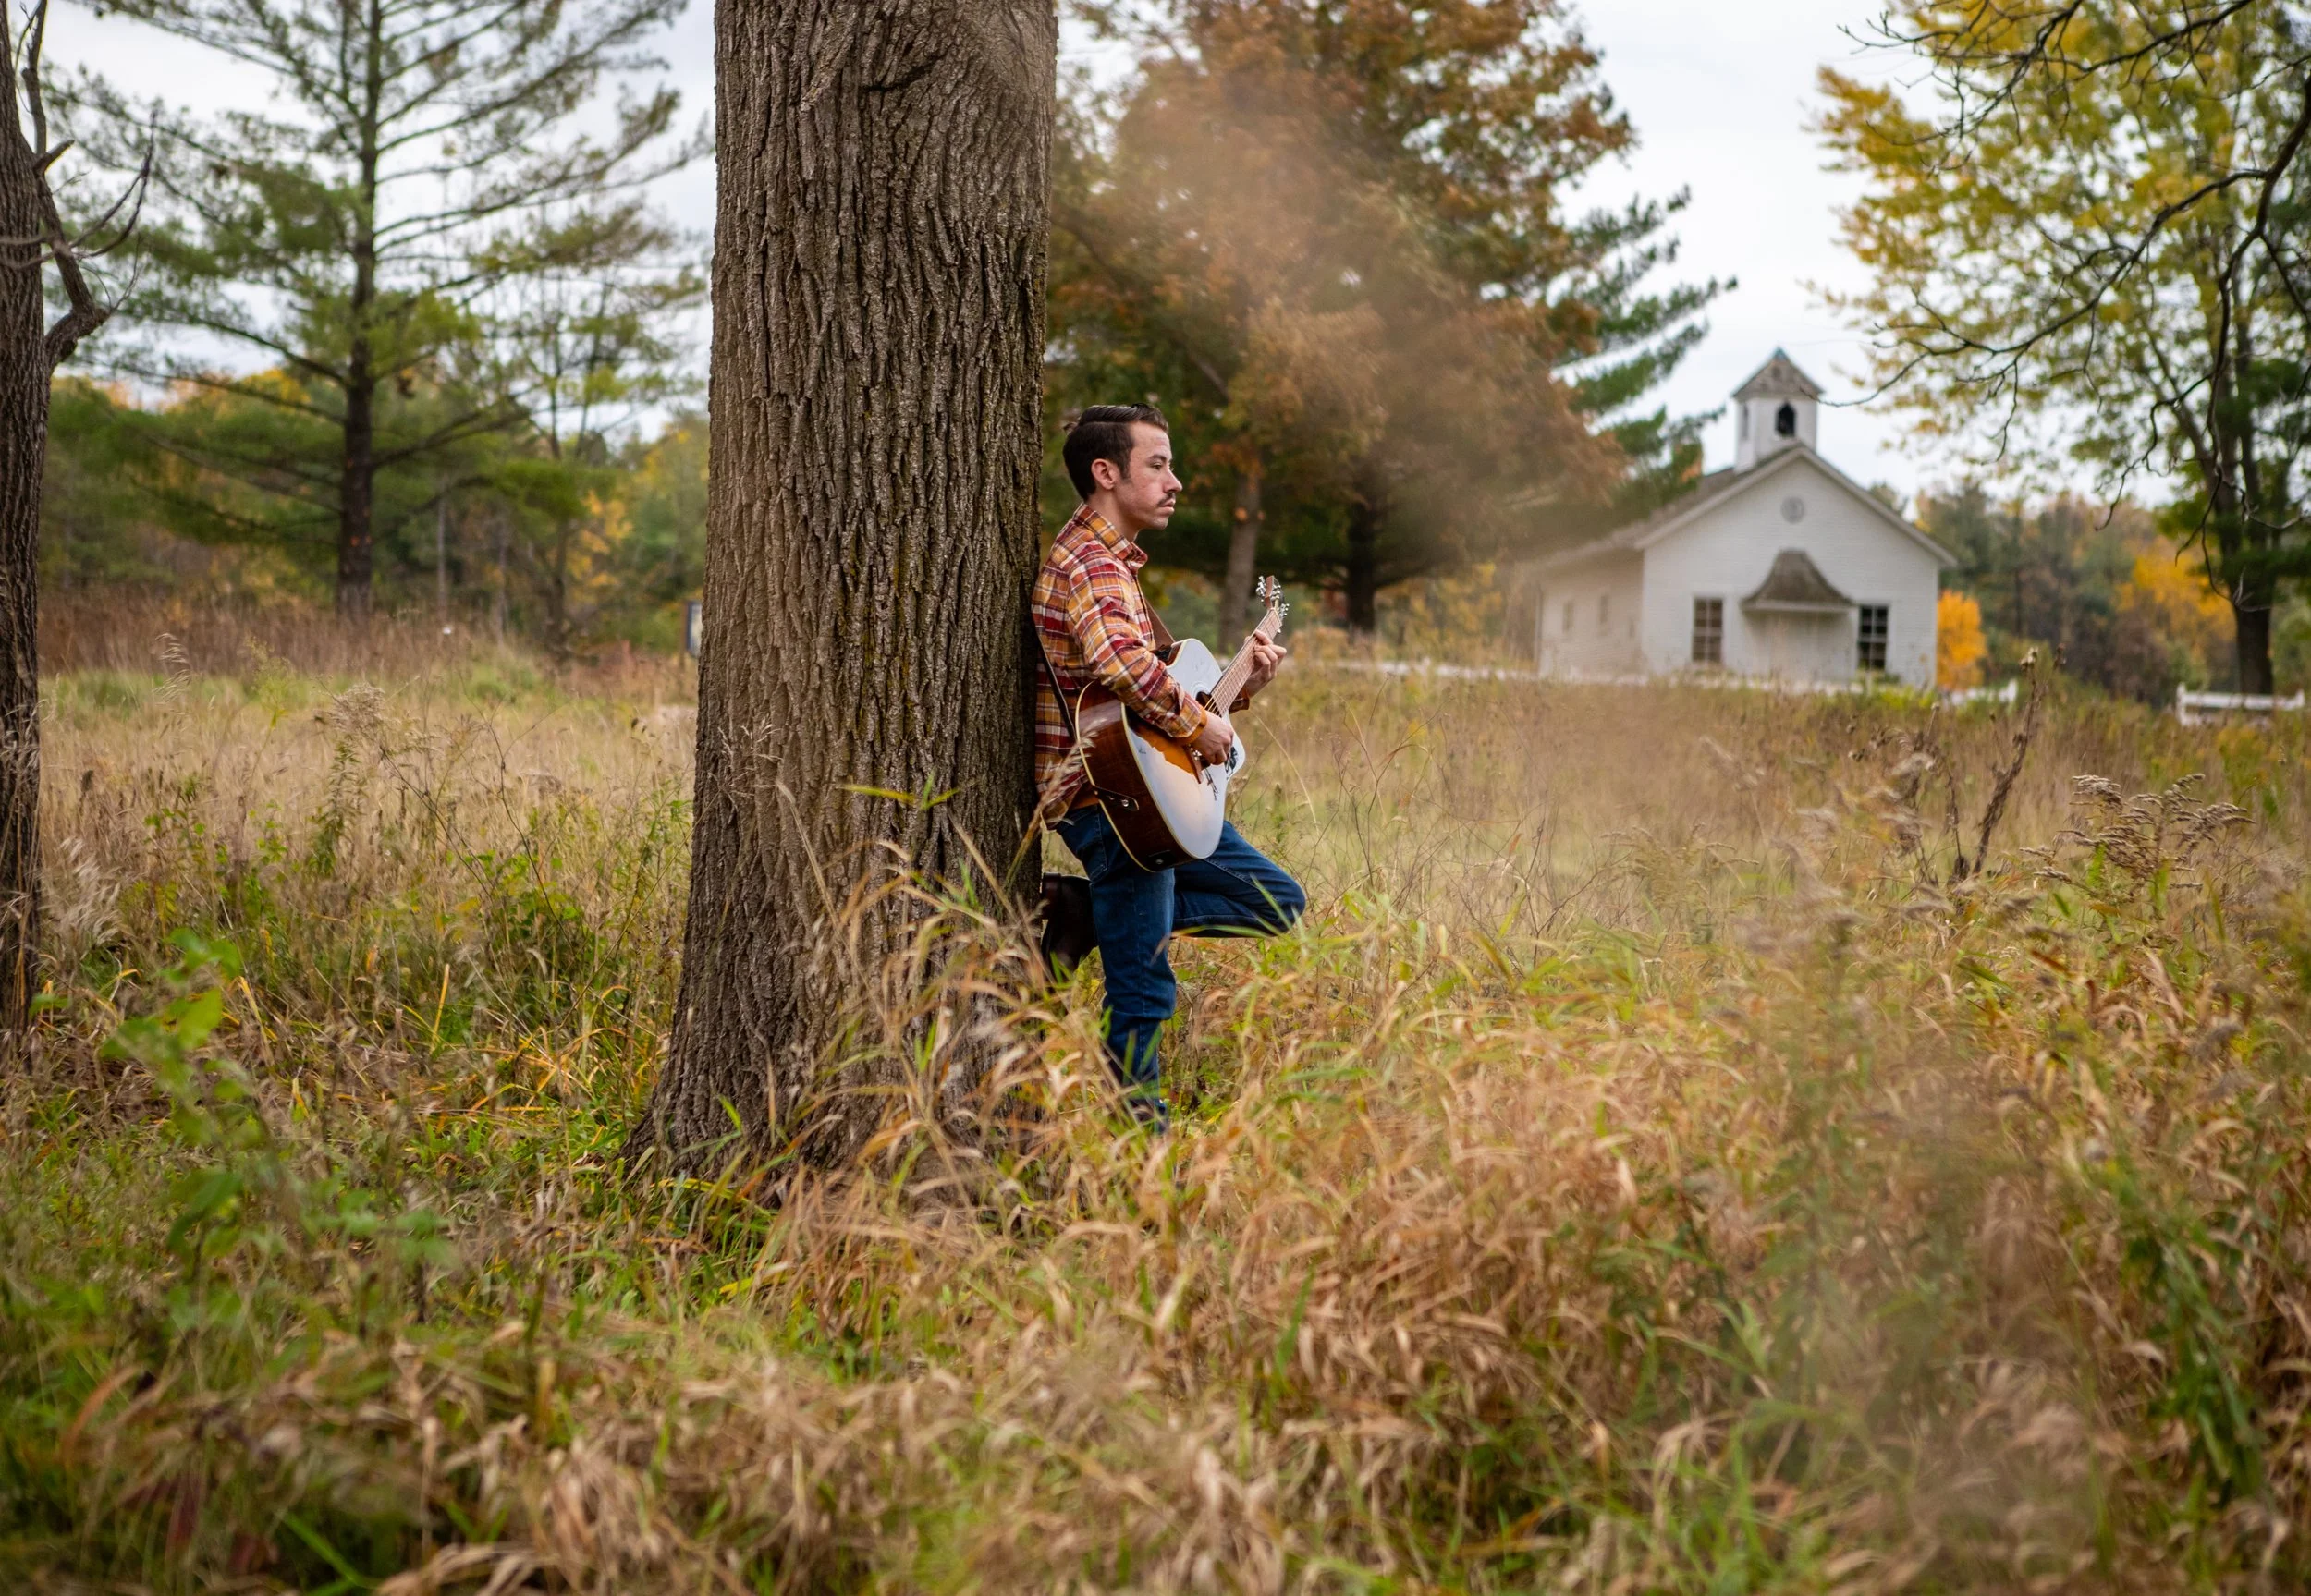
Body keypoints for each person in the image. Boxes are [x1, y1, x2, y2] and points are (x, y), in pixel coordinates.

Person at [1033, 404, 1304, 1127]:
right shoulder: (1090, 562)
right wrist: (1198, 722)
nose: (1175, 481)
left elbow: (1146, 698)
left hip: (1144, 790)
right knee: (1143, 990)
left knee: (1277, 901)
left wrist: (1236, 694)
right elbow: (1118, 664)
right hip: (1110, 802)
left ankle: (1088, 914)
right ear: (1106, 472)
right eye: (1158, 464)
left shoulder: (1113, 565)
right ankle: (1139, 1156)